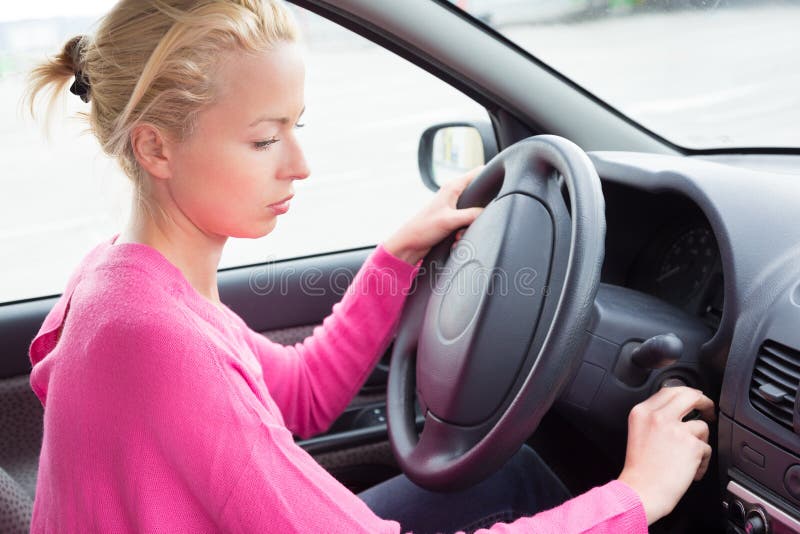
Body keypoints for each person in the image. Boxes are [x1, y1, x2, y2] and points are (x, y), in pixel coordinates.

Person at [25, 1, 714, 532]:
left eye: (297, 126)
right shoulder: (155, 341)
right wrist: (637, 494)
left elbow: (300, 396)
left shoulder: (123, 280)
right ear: (156, 148)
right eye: (264, 139)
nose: (300, 164)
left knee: (515, 478)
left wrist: (397, 257)